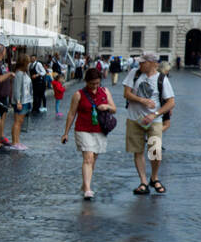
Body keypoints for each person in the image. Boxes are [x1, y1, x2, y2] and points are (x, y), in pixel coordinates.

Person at [123, 52, 175, 194]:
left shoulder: (162, 79)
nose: (139, 65)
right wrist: (142, 100)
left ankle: (154, 177)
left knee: (155, 152)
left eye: (142, 62)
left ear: (152, 63)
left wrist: (155, 114)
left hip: (154, 120)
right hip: (135, 118)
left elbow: (171, 102)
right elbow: (126, 94)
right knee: (138, 150)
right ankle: (143, 181)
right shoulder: (134, 73)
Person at [61, 68, 116, 200]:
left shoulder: (105, 91)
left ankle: (85, 184)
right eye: (92, 83)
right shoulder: (78, 94)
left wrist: (106, 107)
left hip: (100, 130)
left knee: (93, 159)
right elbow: (71, 113)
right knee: (88, 158)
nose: (95, 86)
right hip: (83, 129)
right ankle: (87, 189)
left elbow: (114, 109)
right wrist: (66, 133)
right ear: (86, 82)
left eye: (97, 83)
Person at [8, 57, 32, 150]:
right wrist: (18, 101)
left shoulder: (24, 73)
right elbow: (16, 89)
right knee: (17, 122)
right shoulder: (19, 74)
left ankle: (17, 141)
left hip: (26, 100)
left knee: (20, 122)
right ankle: (15, 142)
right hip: (20, 101)